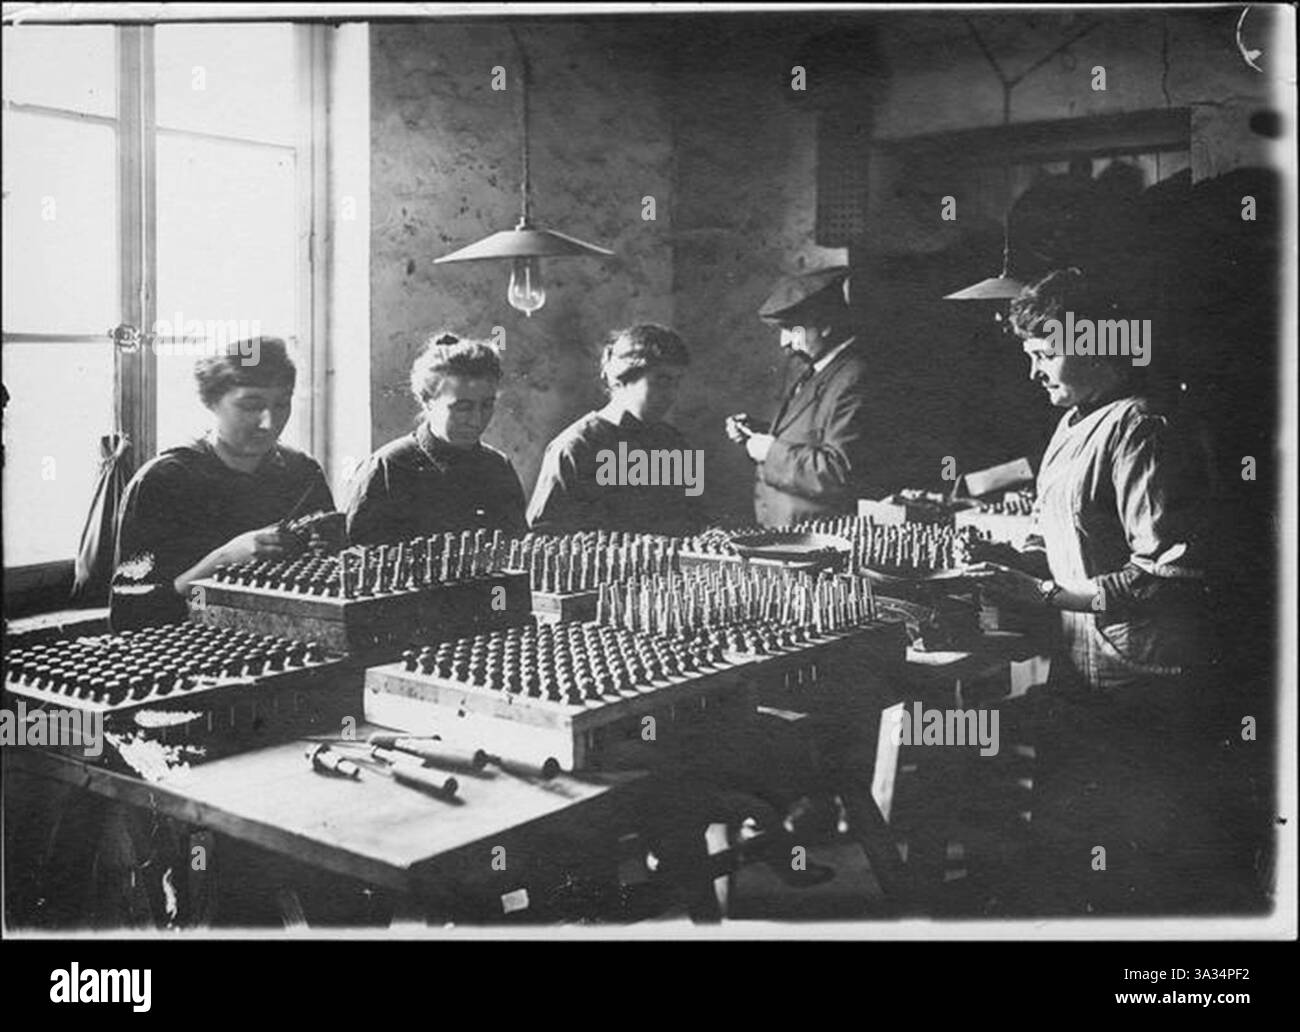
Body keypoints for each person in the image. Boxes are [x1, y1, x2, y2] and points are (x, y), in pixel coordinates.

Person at [968, 268, 1233, 915]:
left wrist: (1049, 596)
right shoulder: (1072, 424)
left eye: (1046, 354)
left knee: (1131, 857)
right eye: (1030, 356)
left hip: (1140, 675)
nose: (1036, 373)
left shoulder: (1143, 427)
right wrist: (1004, 558)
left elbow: (1170, 569)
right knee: (1066, 842)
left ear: (1099, 343)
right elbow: (1052, 530)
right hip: (1082, 664)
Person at [111, 338, 334, 630]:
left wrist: (333, 552)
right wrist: (221, 562)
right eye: (250, 406)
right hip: (189, 649)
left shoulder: (302, 474)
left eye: (281, 404)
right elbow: (132, 615)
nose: (269, 423)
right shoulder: (164, 482)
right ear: (211, 402)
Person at [725, 266, 880, 527]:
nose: (784, 342)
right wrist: (759, 432)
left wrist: (770, 451)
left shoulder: (854, 378)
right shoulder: (819, 370)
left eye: (791, 329)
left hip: (817, 537)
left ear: (825, 325)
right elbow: (812, 435)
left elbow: (838, 471)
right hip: (788, 530)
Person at [345, 332, 527, 545]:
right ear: (428, 401)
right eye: (463, 407)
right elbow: (357, 562)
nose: (477, 420)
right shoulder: (386, 469)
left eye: (486, 405)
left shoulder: (498, 468)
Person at [527, 323, 705, 536]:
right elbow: (544, 534)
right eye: (662, 381)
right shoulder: (576, 447)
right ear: (624, 378)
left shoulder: (674, 443)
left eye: (676, 383)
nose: (671, 395)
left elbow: (694, 520)